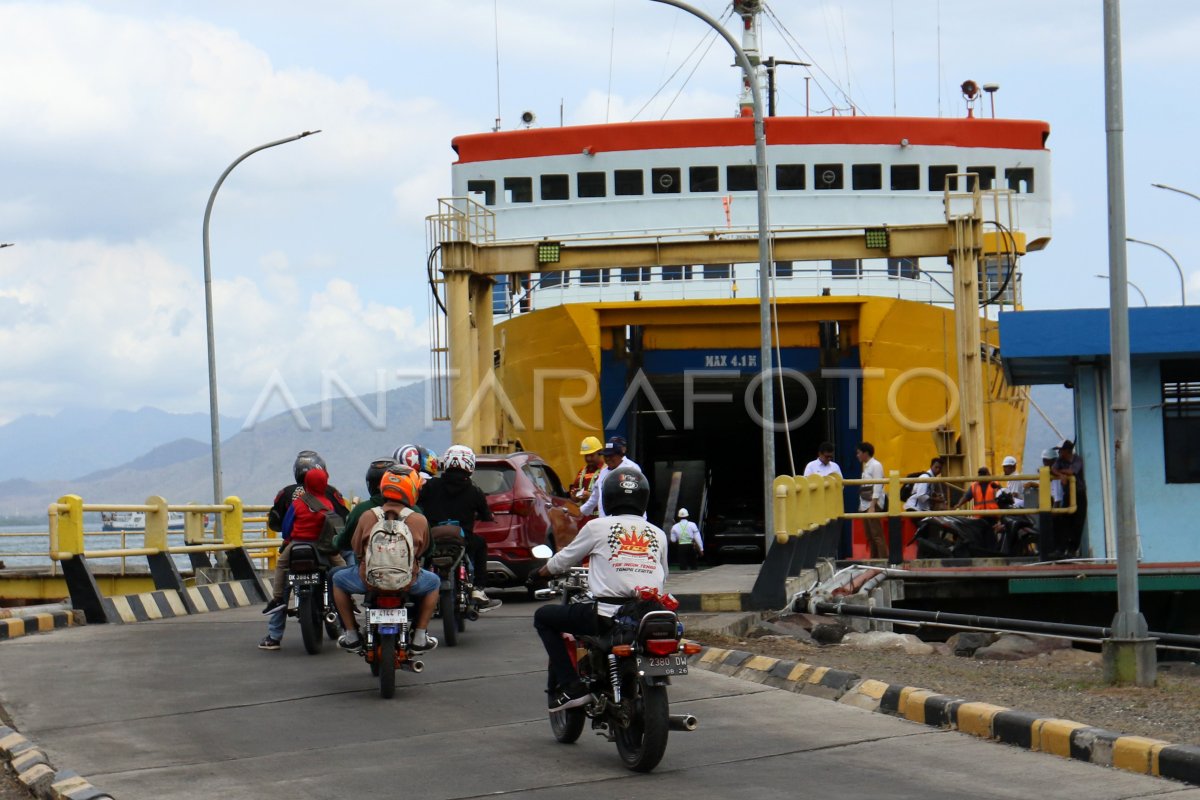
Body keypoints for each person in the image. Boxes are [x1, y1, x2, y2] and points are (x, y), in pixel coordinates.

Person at [530, 467, 668, 711]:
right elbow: (663, 575)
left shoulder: (597, 527)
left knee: (543, 617)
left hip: (607, 615)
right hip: (649, 615)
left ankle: (572, 687)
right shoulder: (658, 533)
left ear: (608, 496)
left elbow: (565, 559)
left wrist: (540, 573)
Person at [333, 469, 441, 652]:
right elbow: (427, 550)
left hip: (368, 580)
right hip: (407, 581)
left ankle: (351, 634)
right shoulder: (418, 519)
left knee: (337, 580)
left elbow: (356, 547)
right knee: (435, 582)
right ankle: (420, 636)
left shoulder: (367, 516)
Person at [258, 466, 347, 650]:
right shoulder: (328, 504)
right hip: (321, 548)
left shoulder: (297, 503)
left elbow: (287, 527)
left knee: (282, 566)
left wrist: (291, 540)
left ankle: (276, 600)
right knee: (341, 568)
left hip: (297, 545)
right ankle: (347, 602)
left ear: (305, 483)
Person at [416, 444, 499, 609]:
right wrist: (487, 517)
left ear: (446, 462)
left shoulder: (431, 486)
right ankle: (478, 588)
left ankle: (420, 587)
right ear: (470, 465)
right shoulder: (474, 491)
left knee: (423, 556)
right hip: (462, 538)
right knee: (481, 544)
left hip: (433, 537)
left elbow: (418, 505)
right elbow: (486, 515)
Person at [578, 436, 643, 518]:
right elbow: (595, 497)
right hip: (606, 522)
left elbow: (636, 498)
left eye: (611, 455)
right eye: (606, 456)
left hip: (628, 521)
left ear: (621, 455)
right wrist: (580, 512)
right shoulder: (603, 472)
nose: (608, 459)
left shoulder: (631, 469)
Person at [1052, 440, 1087, 556]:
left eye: (1060, 450)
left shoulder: (1077, 460)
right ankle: (1061, 549)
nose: (1059, 453)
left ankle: (1072, 550)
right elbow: (1053, 469)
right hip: (1068, 495)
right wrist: (1061, 475)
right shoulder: (1060, 460)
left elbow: (1072, 471)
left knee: (1078, 523)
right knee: (1065, 522)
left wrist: (1062, 473)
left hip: (1079, 494)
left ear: (1067, 450)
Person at [856, 442, 886, 559]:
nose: (857, 455)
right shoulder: (867, 466)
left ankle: (883, 560)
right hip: (865, 504)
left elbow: (878, 485)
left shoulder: (876, 465)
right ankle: (874, 560)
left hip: (872, 504)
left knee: (877, 535)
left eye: (859, 453)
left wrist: (873, 505)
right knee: (870, 535)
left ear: (865, 453)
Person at [569, 436, 605, 506]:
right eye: (586, 455)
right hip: (584, 515)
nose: (588, 458)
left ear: (600, 453)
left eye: (591, 455)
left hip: (601, 516)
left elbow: (611, 497)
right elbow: (575, 499)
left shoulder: (607, 470)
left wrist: (591, 497)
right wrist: (574, 497)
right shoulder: (582, 471)